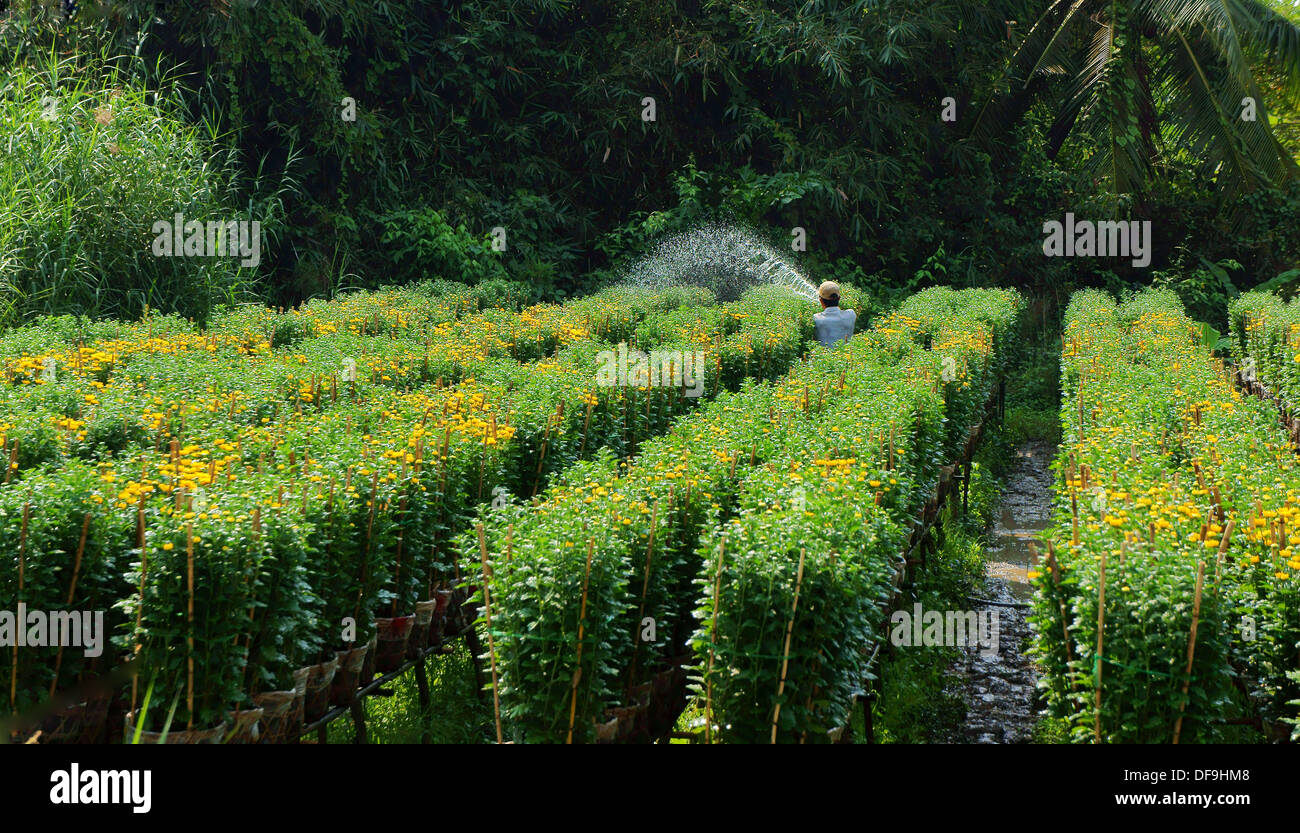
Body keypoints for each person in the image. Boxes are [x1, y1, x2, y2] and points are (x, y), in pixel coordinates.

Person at [813, 281, 856, 347]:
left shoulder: (816, 319)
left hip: (824, 356)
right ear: (839, 298)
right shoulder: (851, 314)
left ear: (821, 301)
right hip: (847, 355)